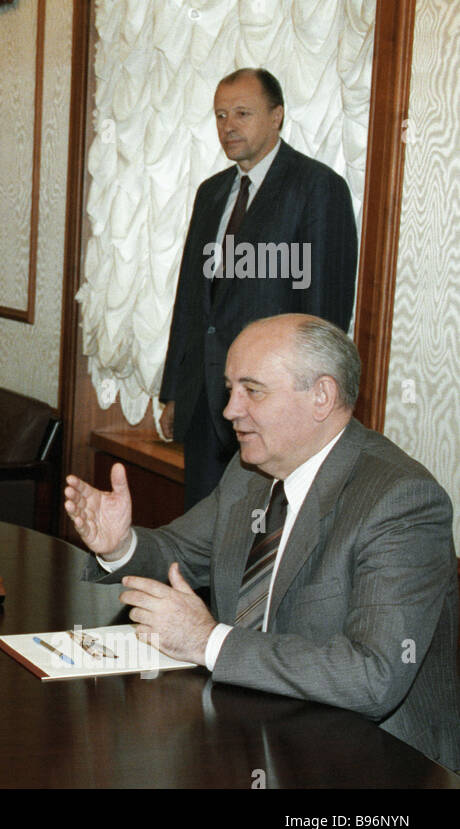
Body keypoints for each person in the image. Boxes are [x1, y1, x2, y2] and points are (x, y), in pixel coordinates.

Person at [66, 314, 459, 771]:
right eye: (231, 389)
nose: (231, 410)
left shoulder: (400, 501)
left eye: (252, 390)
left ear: (322, 396)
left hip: (374, 765)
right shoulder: (249, 473)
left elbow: (374, 675)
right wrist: (121, 546)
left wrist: (207, 640)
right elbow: (180, 557)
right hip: (255, 732)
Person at [159, 68, 358, 508]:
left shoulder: (318, 189)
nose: (228, 126)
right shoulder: (211, 193)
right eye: (220, 115)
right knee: (202, 533)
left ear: (277, 116)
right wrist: (175, 389)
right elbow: (192, 301)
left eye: (243, 113)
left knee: (259, 539)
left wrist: (307, 404)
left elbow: (323, 318)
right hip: (203, 403)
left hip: (274, 408)